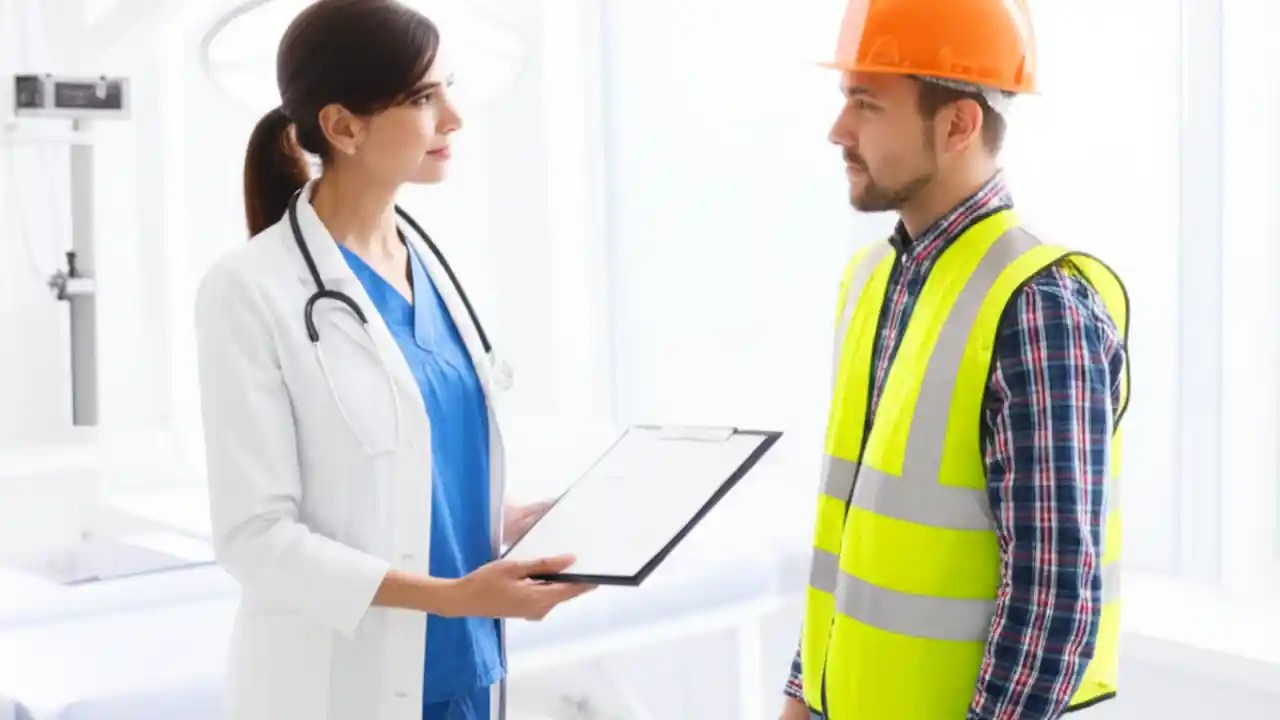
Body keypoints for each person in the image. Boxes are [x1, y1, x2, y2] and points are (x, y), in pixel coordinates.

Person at [193, 1, 593, 718]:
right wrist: (451, 596)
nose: (454, 118)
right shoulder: (248, 289)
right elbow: (255, 540)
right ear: (344, 128)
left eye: (449, 89)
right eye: (423, 98)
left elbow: (411, 472)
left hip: (466, 672)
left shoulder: (432, 269)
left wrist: (505, 519)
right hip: (341, 685)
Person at [781, 1, 1129, 719]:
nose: (838, 130)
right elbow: (852, 546)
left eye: (866, 104)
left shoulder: (1038, 308)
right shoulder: (874, 280)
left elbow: (1050, 600)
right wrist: (801, 698)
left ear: (958, 124)